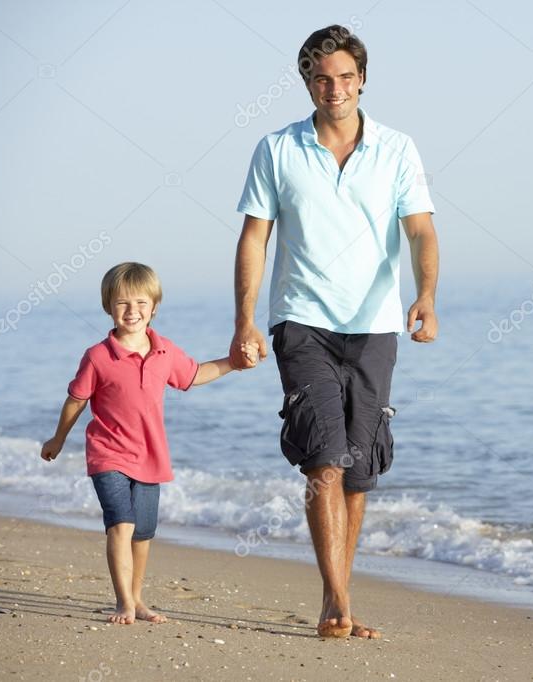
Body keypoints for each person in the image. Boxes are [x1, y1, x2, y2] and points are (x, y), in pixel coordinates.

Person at [231, 24, 439, 639]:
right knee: (322, 460)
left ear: (362, 80)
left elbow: (421, 230)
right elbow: (254, 238)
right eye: (322, 78)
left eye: (346, 77)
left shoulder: (398, 149)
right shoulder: (276, 149)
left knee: (357, 469)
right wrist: (245, 318)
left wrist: (425, 294)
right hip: (301, 322)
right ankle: (337, 605)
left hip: (375, 327)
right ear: (307, 82)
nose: (335, 88)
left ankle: (338, 595)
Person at [40, 262, 256, 625]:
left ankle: (137, 599)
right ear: (108, 306)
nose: (132, 311)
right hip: (107, 454)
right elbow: (76, 400)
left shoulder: (164, 351)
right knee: (120, 524)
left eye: (141, 302)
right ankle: (123, 602)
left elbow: (193, 375)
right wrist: (58, 438)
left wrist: (232, 363)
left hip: (151, 456)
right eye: (122, 303)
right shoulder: (97, 356)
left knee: (142, 532)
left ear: (154, 307)